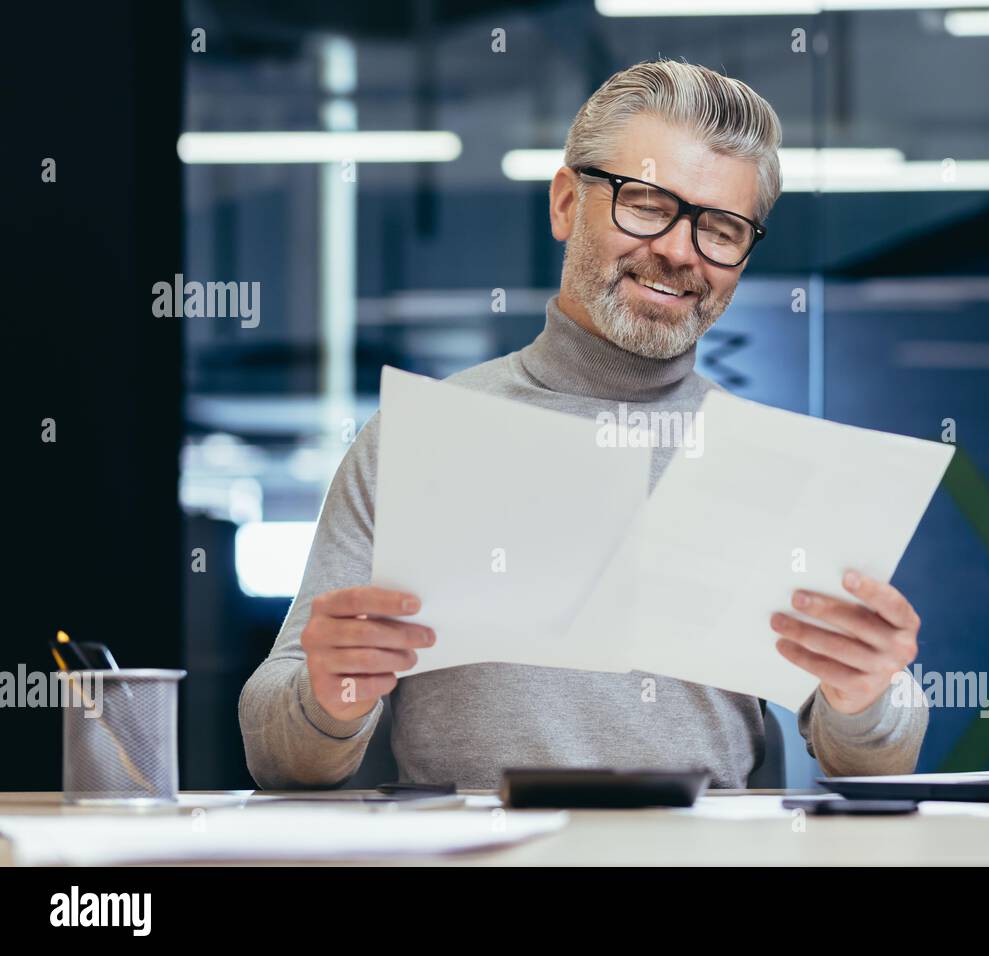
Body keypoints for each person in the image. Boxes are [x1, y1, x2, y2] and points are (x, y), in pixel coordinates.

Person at [240, 58, 929, 789]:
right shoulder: (419, 439)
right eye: (646, 204)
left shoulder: (775, 465)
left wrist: (866, 698)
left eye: (721, 229)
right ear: (567, 203)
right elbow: (278, 757)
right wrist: (332, 694)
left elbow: (872, 761)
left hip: (709, 848)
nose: (677, 250)